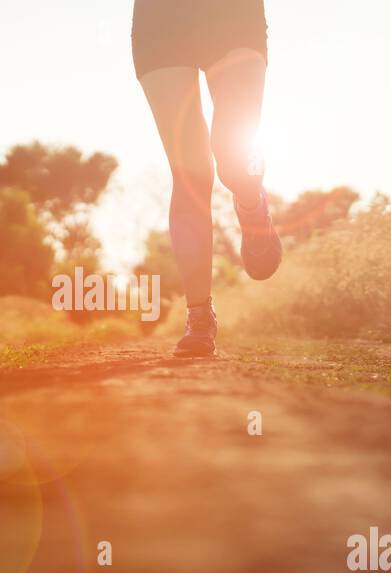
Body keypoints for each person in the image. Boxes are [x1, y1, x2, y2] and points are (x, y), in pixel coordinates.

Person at [132, 0, 282, 358]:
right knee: (189, 173)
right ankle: (199, 316)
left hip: (231, 13)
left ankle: (251, 203)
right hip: (160, 19)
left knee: (233, 156)